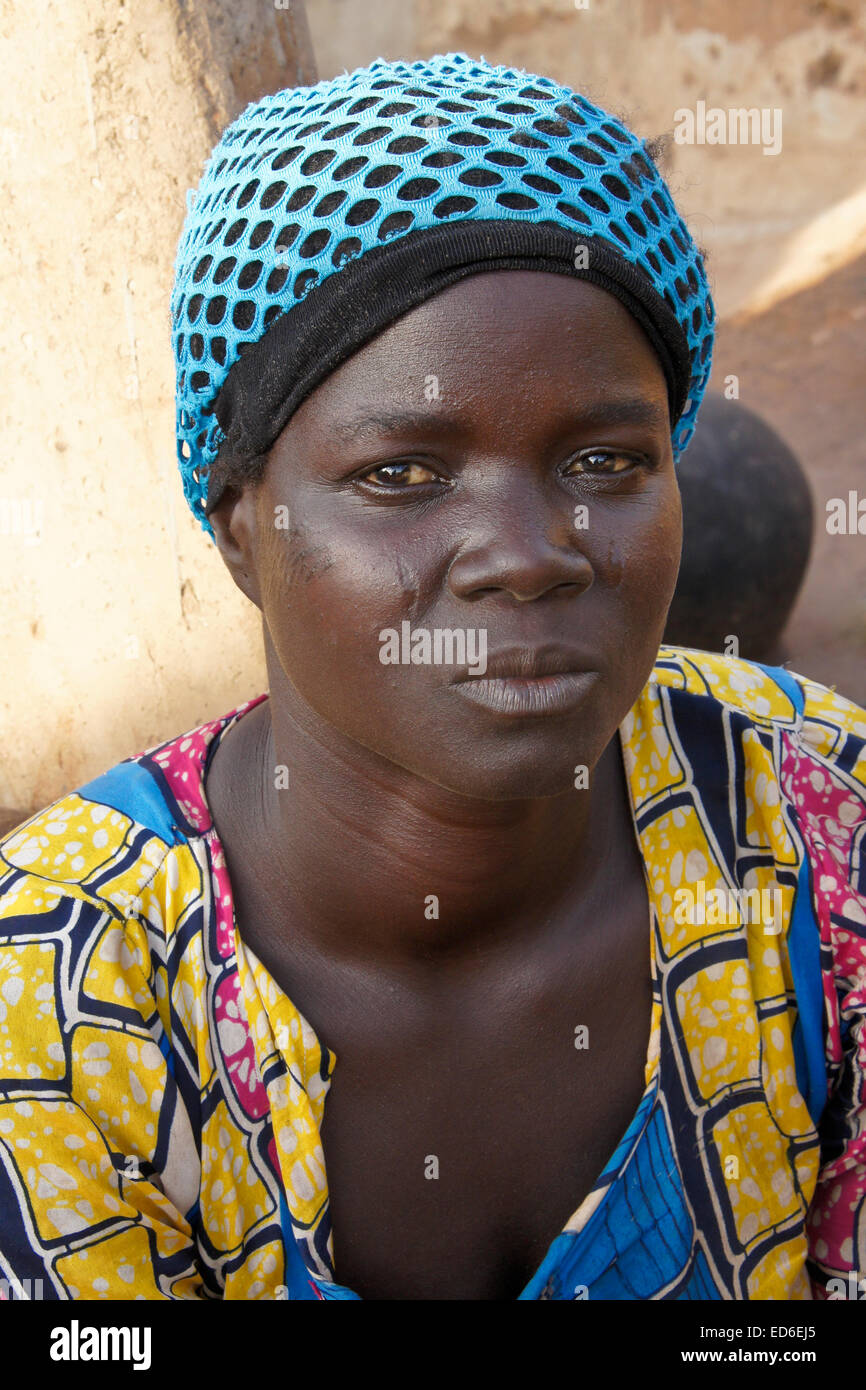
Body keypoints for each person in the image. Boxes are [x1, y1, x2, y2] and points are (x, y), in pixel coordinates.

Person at [0, 52, 863, 1303]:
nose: (527, 556)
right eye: (402, 474)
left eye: (605, 460)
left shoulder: (814, 825)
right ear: (242, 525)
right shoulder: (57, 1006)